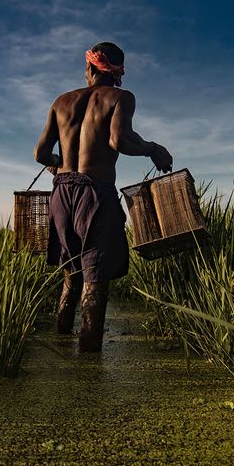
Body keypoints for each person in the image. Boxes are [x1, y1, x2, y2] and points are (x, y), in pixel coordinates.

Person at [34, 42, 173, 352]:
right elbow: (118, 139)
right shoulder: (121, 98)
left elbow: (40, 153)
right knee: (95, 281)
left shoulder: (61, 102)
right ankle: (88, 366)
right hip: (94, 195)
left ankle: (60, 341)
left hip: (62, 194)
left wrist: (60, 168)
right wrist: (153, 148)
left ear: (90, 69)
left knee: (72, 273)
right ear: (118, 72)